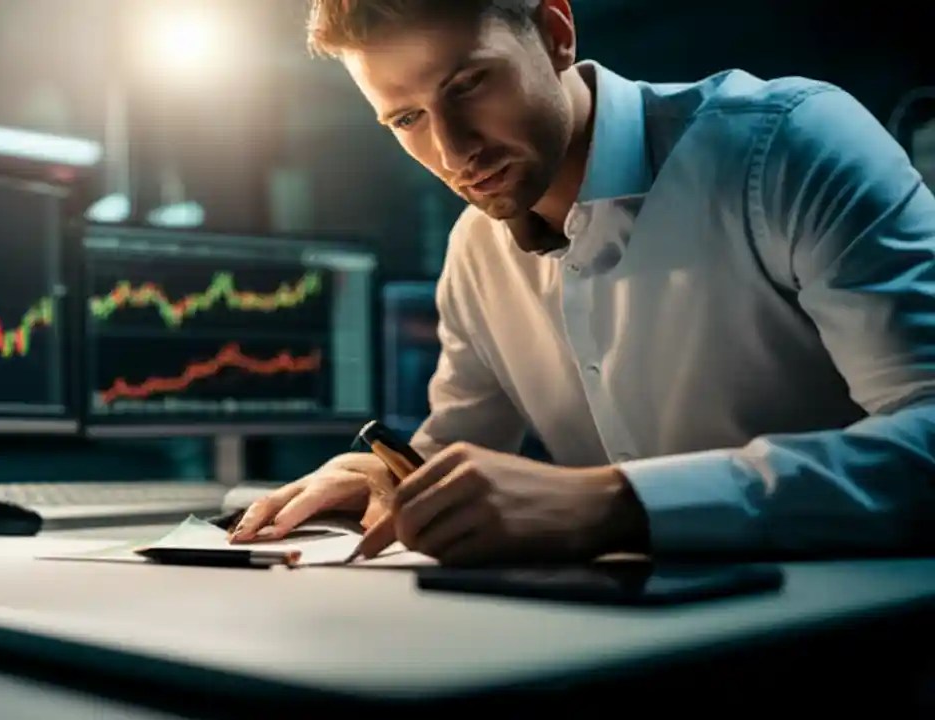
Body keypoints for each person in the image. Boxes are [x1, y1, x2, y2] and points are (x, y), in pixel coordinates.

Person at [228, 0, 935, 565]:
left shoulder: (789, 146)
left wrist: (615, 504)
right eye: (407, 118)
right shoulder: (475, 250)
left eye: (469, 83)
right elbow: (460, 444)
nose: (452, 150)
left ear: (555, 31)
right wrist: (391, 476)